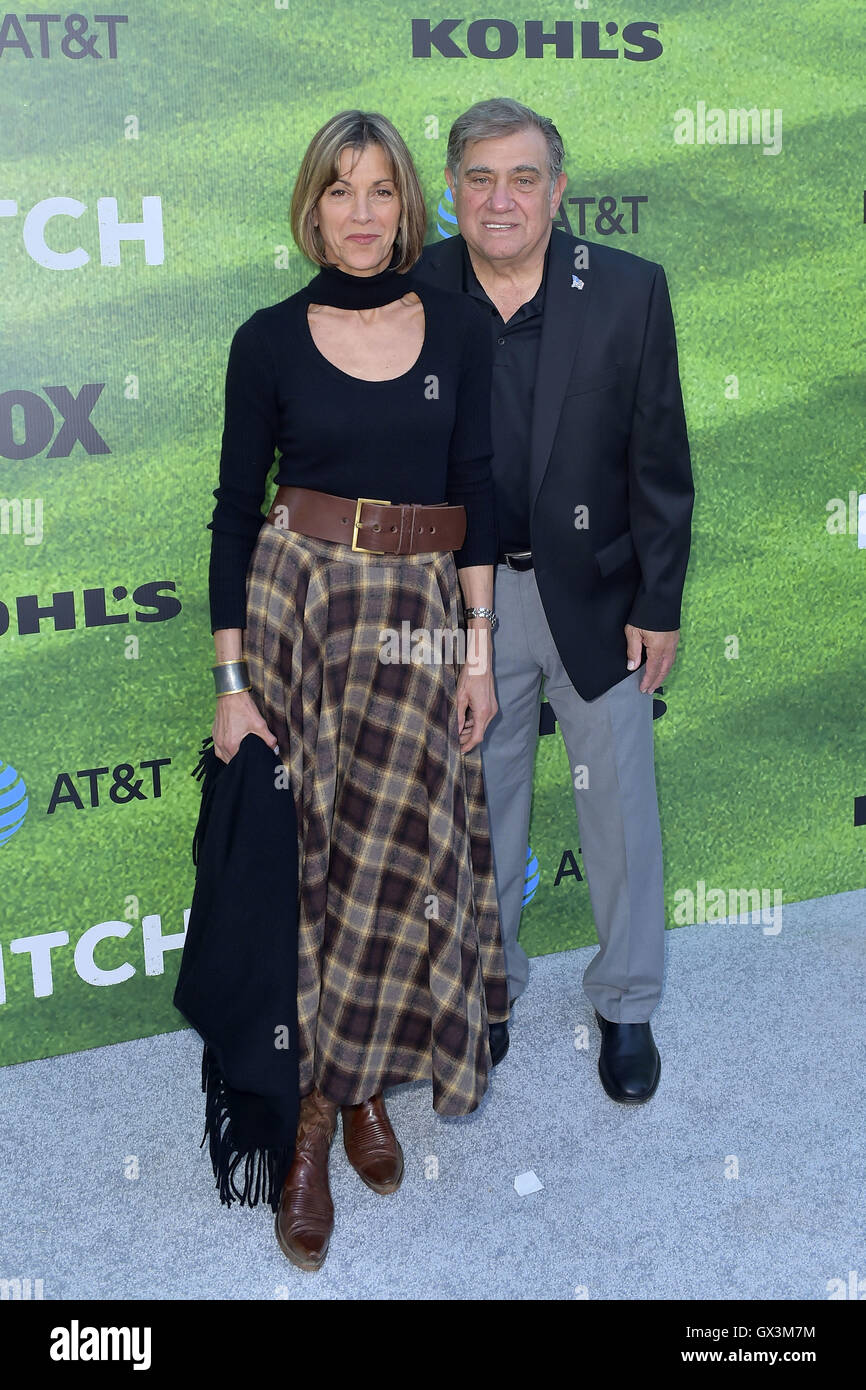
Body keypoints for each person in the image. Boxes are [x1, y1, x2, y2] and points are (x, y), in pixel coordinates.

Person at [206, 109, 509, 1271]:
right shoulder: (266, 342)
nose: (363, 213)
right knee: (310, 870)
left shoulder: (460, 331)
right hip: (300, 617)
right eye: (340, 190)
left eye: (381, 189)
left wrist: (477, 651)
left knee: (401, 864)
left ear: (405, 205)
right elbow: (236, 514)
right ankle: (312, 1129)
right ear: (310, 207)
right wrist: (232, 679)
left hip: (422, 620)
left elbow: (477, 488)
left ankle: (366, 1083)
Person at [415, 97, 694, 1103]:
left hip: (597, 596)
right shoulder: (412, 292)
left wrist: (656, 602)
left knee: (618, 811)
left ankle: (625, 1004)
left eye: (522, 177)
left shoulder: (626, 290)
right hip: (460, 611)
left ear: (557, 189)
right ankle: (487, 992)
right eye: (479, 177)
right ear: (451, 191)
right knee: (475, 813)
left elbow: (656, 462)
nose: (500, 198)